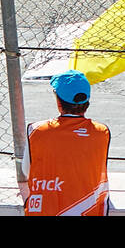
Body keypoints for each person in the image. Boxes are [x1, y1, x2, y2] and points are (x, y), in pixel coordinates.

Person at [21, 70, 111, 216]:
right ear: (87, 102)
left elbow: (26, 171)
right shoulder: (102, 132)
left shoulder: (36, 130)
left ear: (59, 102)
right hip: (88, 210)